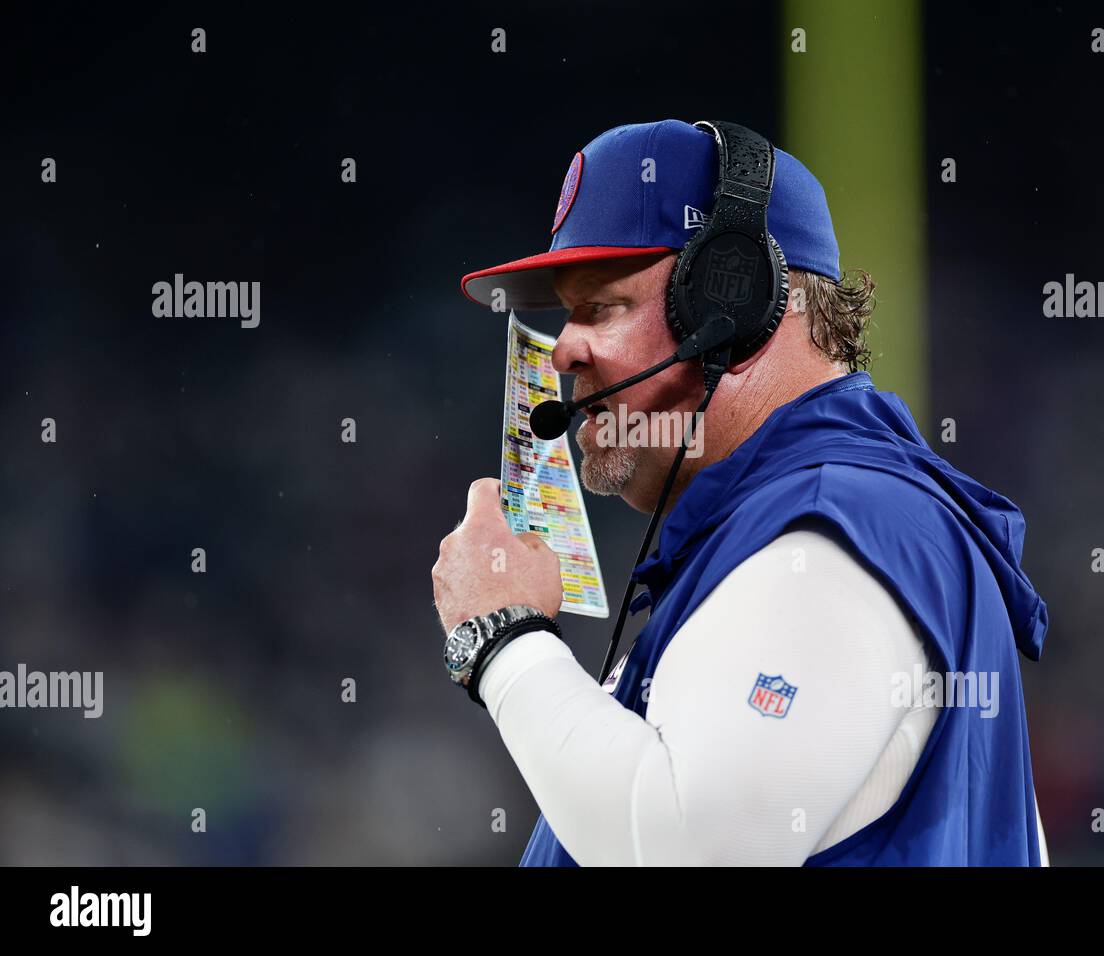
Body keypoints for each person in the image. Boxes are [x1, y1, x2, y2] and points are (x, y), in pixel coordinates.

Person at [434, 119, 1050, 866]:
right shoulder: (811, 523)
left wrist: (503, 639)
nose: (564, 347)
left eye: (602, 306)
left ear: (734, 301)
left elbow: (690, 852)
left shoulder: (833, 529)